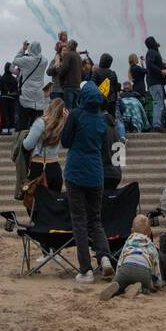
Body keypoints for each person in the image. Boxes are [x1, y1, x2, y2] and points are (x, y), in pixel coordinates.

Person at [62, 80, 114, 285]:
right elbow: (102, 147)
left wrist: (68, 121)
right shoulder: (102, 119)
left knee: (79, 222)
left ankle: (86, 270)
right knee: (95, 220)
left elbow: (65, 142)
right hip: (95, 173)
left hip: (76, 172)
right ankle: (104, 257)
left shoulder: (76, 114)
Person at [98, 213, 162, 299]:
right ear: (150, 232)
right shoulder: (151, 245)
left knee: (120, 283)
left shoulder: (128, 242)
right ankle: (139, 289)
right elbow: (156, 265)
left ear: (132, 230)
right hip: (143, 271)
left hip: (126, 268)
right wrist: (158, 282)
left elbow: (121, 259)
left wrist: (118, 275)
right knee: (147, 288)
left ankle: (117, 288)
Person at [23, 96, 66, 192]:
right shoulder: (62, 124)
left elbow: (27, 145)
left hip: (39, 166)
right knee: (53, 202)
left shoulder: (40, 123)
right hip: (55, 167)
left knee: (34, 202)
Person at [13, 41, 46, 130]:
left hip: (26, 95)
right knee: (37, 122)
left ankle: (23, 140)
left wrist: (23, 49)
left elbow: (15, 60)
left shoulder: (25, 60)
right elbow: (39, 55)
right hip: (38, 96)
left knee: (23, 120)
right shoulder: (44, 61)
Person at [143, 37, 166, 129]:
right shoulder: (151, 52)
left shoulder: (152, 52)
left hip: (154, 82)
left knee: (158, 102)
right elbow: (150, 65)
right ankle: (156, 124)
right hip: (155, 81)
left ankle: (158, 123)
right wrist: (161, 71)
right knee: (158, 102)